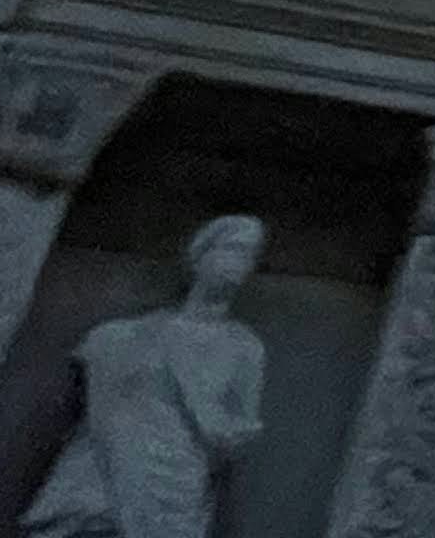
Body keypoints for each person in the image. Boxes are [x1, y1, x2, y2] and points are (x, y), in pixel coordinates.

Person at [21, 214, 269, 538]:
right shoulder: (124, 335)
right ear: (201, 255)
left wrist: (210, 416)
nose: (238, 262)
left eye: (247, 254)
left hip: (179, 482)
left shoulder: (243, 347)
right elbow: (88, 407)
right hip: (104, 469)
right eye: (231, 248)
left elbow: (240, 429)